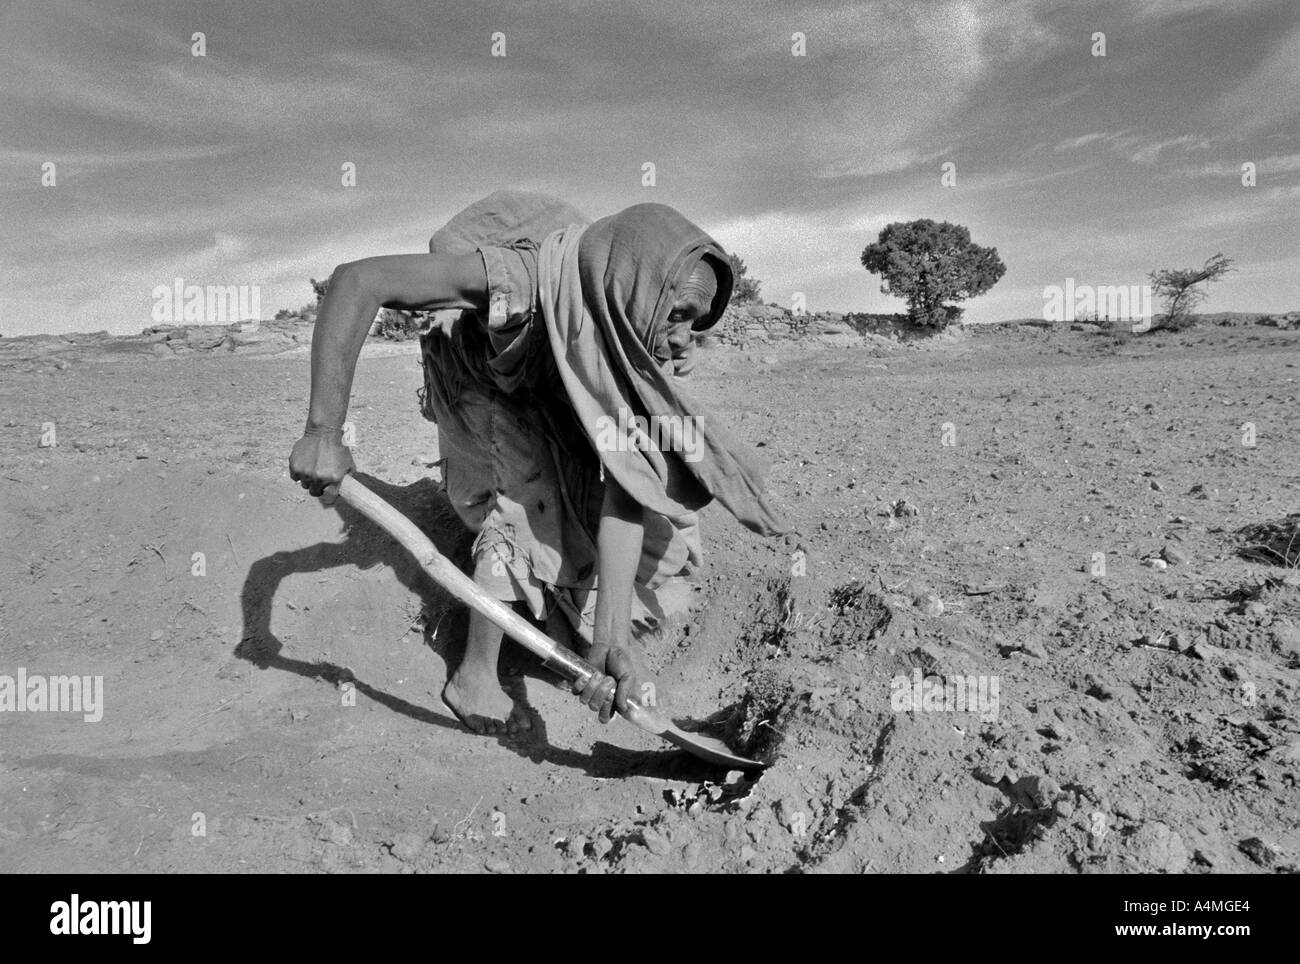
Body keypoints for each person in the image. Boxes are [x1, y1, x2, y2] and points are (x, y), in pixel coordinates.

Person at [289, 196, 785, 736]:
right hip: (481, 384)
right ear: (638, 284)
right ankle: (475, 673)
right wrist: (322, 434)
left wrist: (610, 642)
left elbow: (627, 486)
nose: (686, 340)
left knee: (617, 515)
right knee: (527, 498)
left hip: (547, 389)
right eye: (680, 315)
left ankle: (568, 614)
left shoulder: (624, 335)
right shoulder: (520, 282)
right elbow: (359, 281)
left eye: (698, 324)